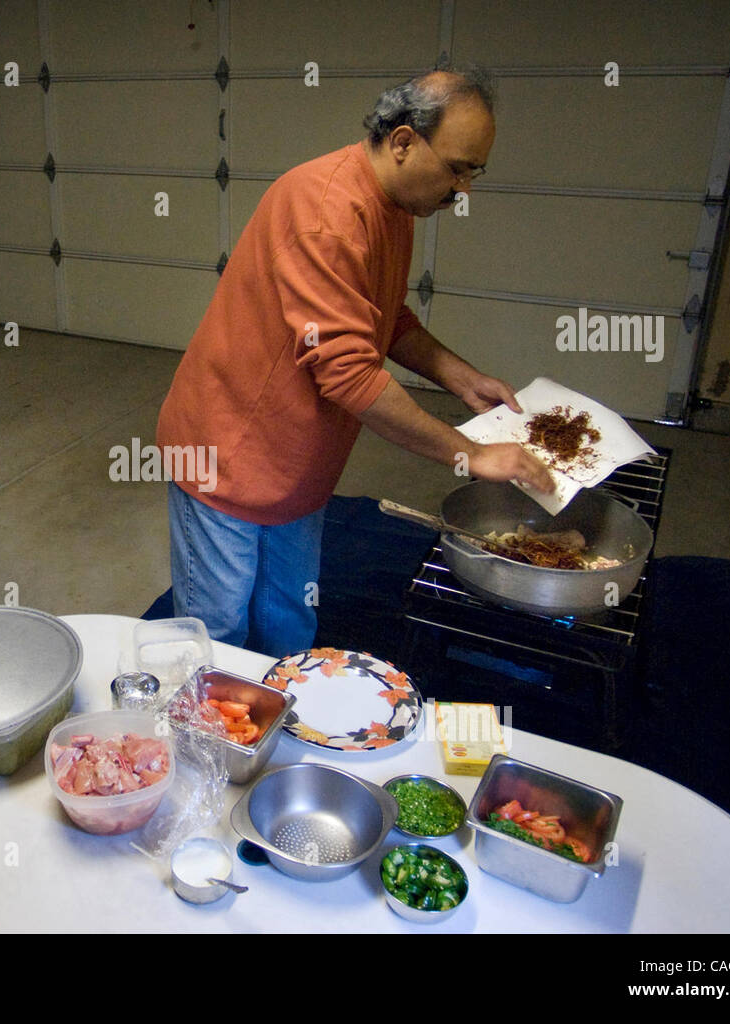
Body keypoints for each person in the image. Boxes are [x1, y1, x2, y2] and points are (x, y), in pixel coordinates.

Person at [156, 67, 555, 658]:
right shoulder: (325, 211)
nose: (463, 188)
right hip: (227, 451)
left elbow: (382, 317)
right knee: (216, 637)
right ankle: (210, 745)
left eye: (474, 171)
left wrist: (457, 374)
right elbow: (348, 373)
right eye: (457, 167)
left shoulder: (394, 205)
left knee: (288, 622)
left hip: (295, 463)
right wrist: (469, 454)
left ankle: (281, 726)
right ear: (402, 142)